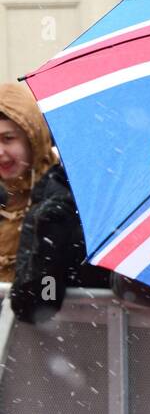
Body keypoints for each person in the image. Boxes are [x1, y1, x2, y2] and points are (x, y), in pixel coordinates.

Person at [0, 82, 112, 321]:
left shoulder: (65, 194)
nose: (0, 151)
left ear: (33, 137)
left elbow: (46, 295)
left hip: (52, 346)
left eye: (8, 138)